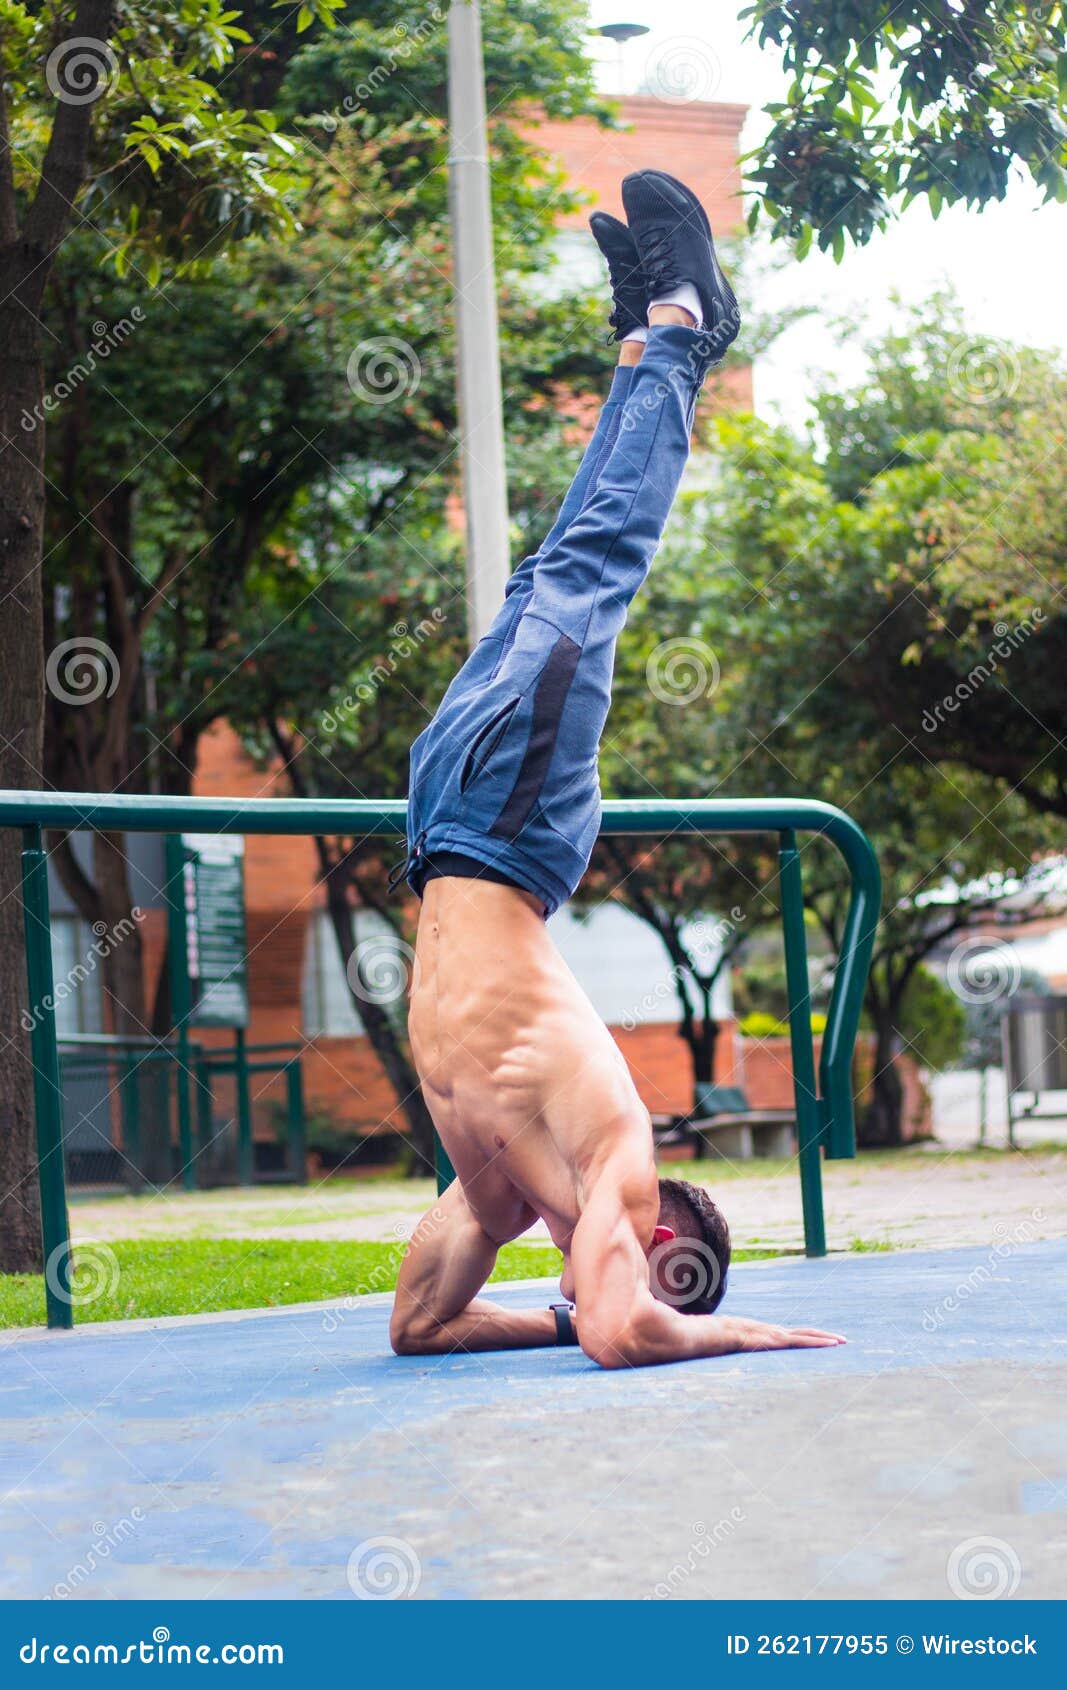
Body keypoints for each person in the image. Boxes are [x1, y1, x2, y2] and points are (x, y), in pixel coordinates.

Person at [388, 172, 845, 1368]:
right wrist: (733, 1335)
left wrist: (547, 1312)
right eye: (662, 1247)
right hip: (504, 826)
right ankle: (689, 327)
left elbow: (417, 1326)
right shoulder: (623, 1166)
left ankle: (647, 335)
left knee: (549, 572)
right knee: (590, 566)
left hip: (443, 820)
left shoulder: (492, 1197)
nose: (642, 1240)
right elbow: (619, 1332)